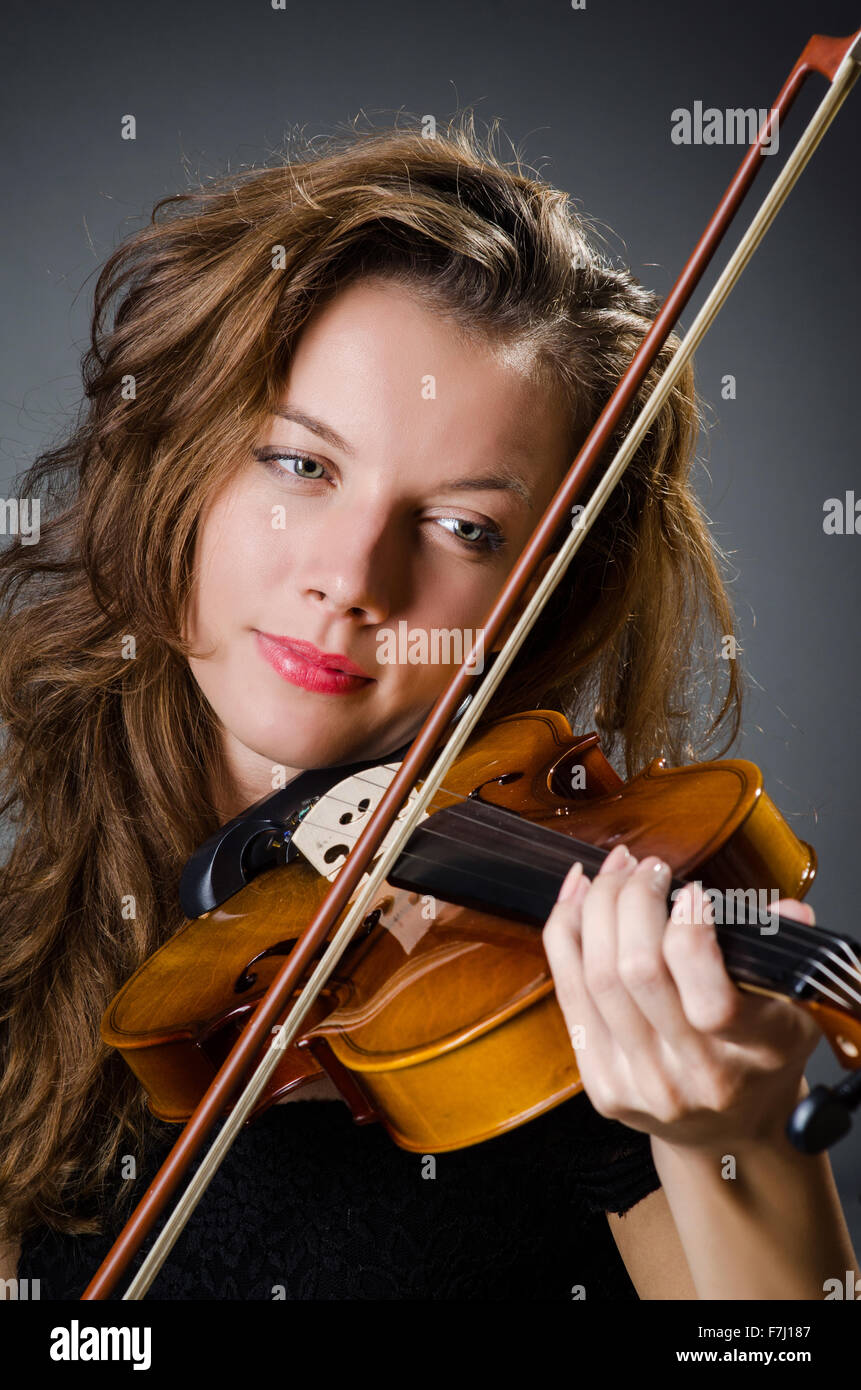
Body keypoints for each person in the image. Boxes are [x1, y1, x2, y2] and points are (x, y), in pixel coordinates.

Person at [0, 118, 857, 1301]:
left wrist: (740, 1140)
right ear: (181, 459)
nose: (352, 580)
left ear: (537, 591)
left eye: (462, 528)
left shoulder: (570, 1018)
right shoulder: (31, 960)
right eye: (300, 464)